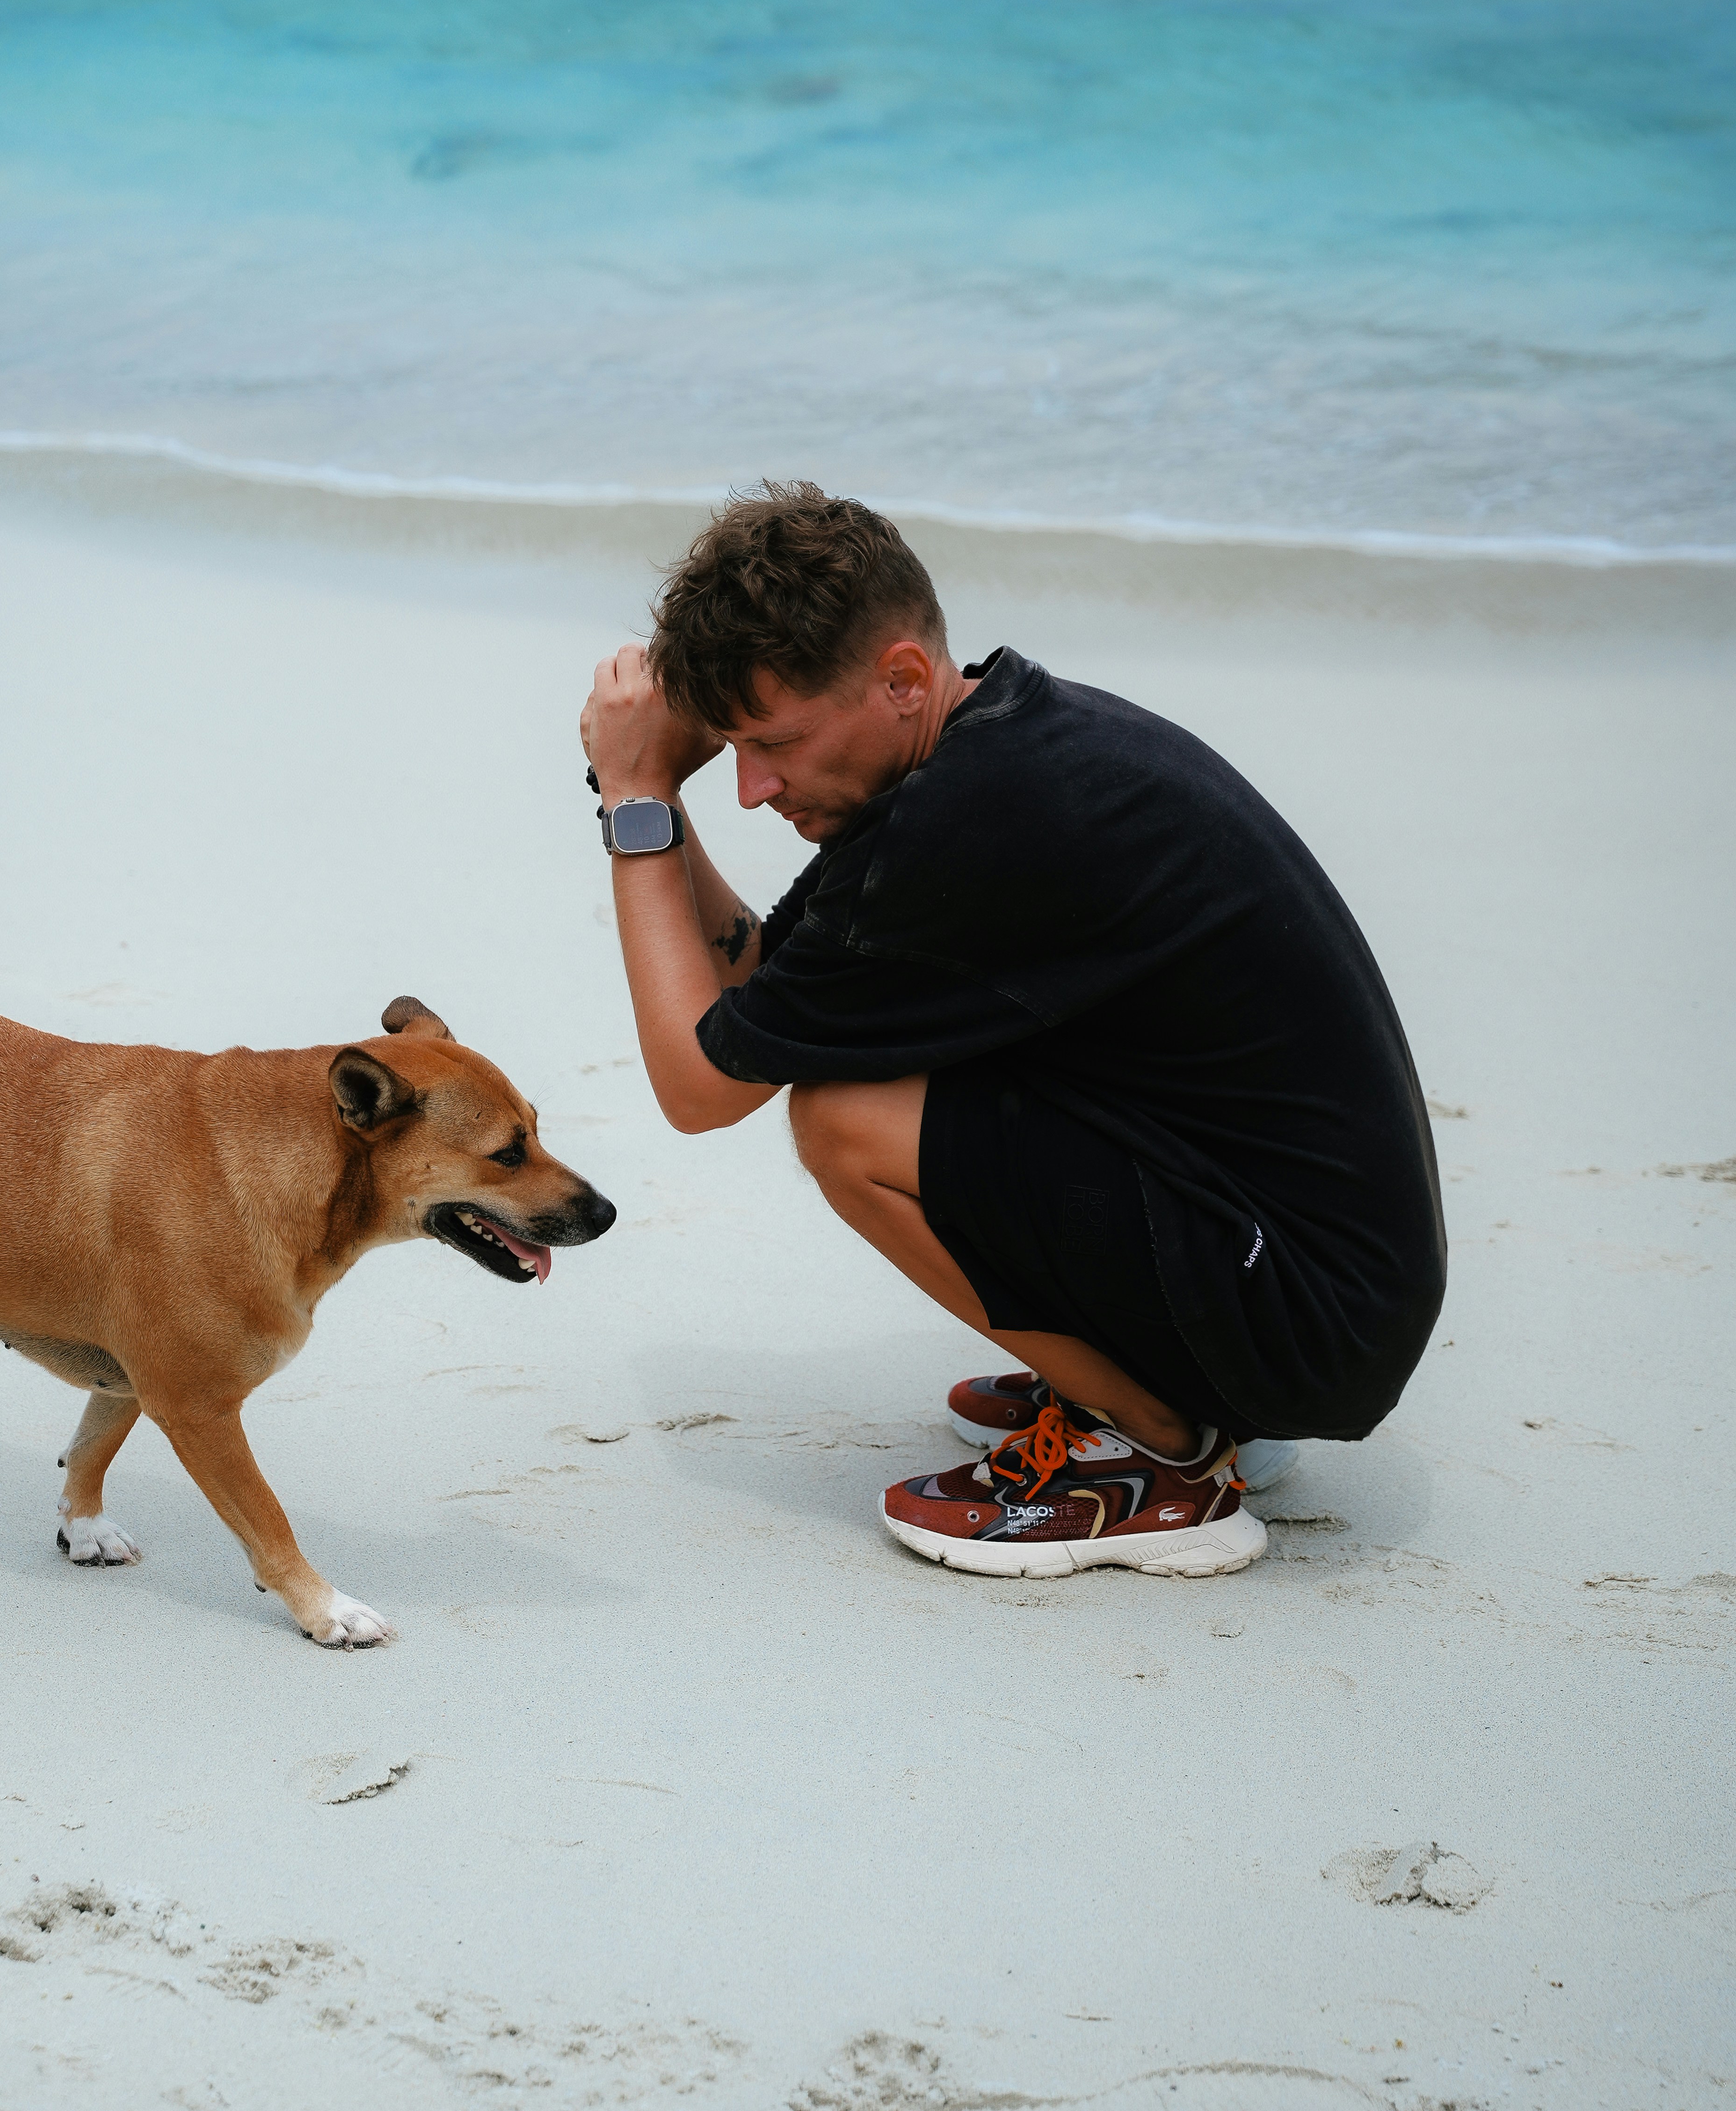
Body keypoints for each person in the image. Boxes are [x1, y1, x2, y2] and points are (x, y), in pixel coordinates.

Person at [578, 483, 1447, 1579]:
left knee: (845, 1121)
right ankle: (1155, 1376)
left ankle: (1154, 1453)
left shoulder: (974, 823)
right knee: (893, 1072)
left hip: (1308, 1318)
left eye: (775, 744)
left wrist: (637, 794)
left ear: (900, 678)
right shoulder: (986, 743)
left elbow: (699, 1088)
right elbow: (759, 984)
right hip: (1302, 1257)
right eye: (734, 750)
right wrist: (650, 799)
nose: (753, 789)